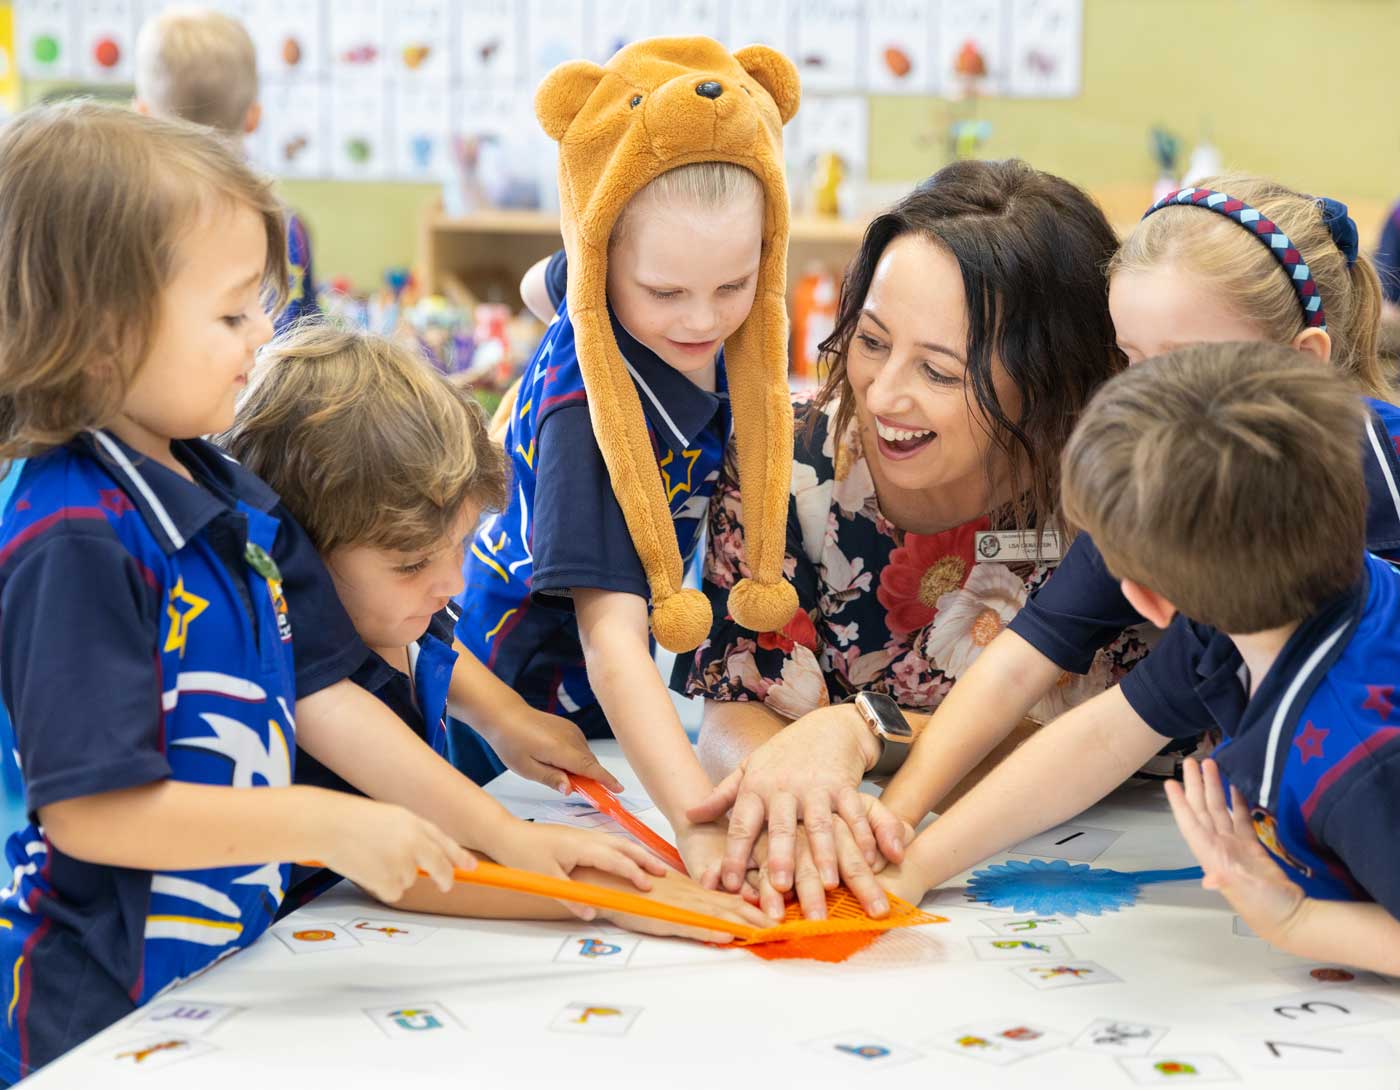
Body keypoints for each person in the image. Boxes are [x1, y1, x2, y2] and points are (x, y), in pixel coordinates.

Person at [0, 102, 659, 1082]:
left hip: (216, 976)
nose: (259, 332)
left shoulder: (220, 494)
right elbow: (94, 815)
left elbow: (317, 688)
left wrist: (511, 841)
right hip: (90, 1010)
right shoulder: (72, 536)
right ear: (103, 335)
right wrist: (330, 822)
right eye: (229, 314)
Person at [674, 159, 1135, 918]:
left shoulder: (1104, 501)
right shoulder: (782, 464)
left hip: (1068, 863)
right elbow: (735, 702)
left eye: (941, 372)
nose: (885, 395)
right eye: (874, 340)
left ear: (1051, 381)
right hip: (879, 852)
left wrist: (862, 733)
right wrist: (804, 827)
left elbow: (1087, 747)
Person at [223, 324, 766, 937]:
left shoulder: (384, 605)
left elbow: (433, 641)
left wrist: (504, 714)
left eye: (460, 545)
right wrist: (607, 893)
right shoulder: (295, 657)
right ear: (303, 563)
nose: (452, 583)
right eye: (411, 565)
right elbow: (410, 873)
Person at [930, 342, 1399, 975]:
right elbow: (1098, 740)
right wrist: (917, 866)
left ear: (1149, 603)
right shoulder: (1274, 608)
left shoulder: (1362, 764)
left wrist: (1294, 919)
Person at [457, 37, 801, 887]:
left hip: (607, 716)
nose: (704, 320)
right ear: (605, 258)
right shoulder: (590, 412)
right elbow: (611, 646)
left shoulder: (620, 265)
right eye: (666, 293)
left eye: (735, 286)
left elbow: (548, 282)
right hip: (515, 718)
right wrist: (699, 830)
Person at [135, 4, 319, 333]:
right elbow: (311, 337)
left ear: (143, 114)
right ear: (254, 117)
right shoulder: (287, 226)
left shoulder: (136, 223)